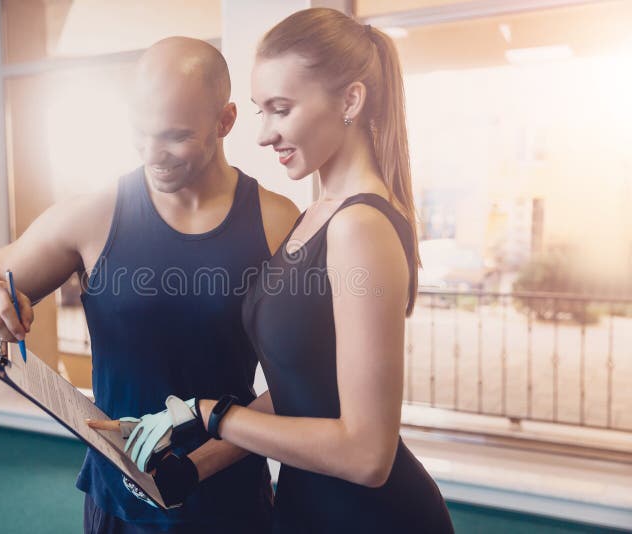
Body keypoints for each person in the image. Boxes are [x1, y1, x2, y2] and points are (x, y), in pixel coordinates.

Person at [0, 36, 300, 533]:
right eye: (140, 132)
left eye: (175, 135)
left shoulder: (277, 223)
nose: (154, 154)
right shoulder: (93, 216)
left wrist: (194, 467)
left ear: (225, 121)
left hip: (231, 502)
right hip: (118, 501)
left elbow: (298, 383)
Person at [118, 9, 455, 533]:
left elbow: (369, 457)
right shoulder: (317, 214)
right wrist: (192, 465)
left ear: (350, 101)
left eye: (281, 109)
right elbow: (306, 386)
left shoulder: (358, 225)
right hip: (303, 506)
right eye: (260, 111)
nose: (264, 135)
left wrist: (212, 412)